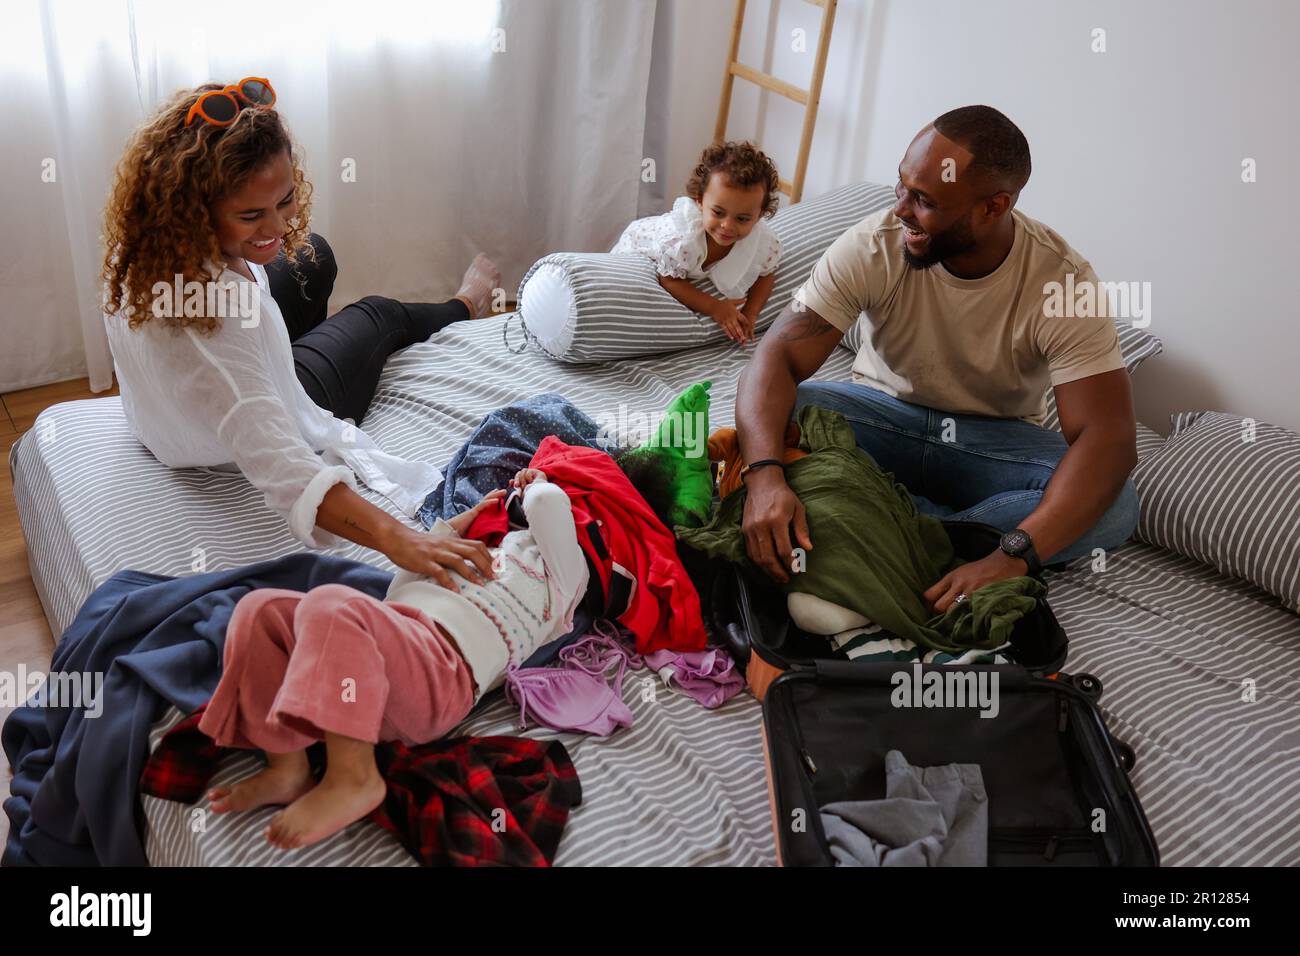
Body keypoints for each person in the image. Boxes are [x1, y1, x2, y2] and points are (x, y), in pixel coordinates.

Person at [735, 105, 1140, 613]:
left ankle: (884, 523)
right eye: (901, 185)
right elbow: (775, 360)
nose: (902, 209)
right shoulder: (874, 242)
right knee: (783, 411)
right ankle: (938, 537)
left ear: (993, 207)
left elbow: (1110, 439)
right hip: (884, 422)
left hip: (986, 447)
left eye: (924, 200)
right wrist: (767, 478)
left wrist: (1012, 557)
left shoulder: (1063, 281)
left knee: (1116, 506)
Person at [101, 77, 500, 584]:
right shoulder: (215, 330)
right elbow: (284, 468)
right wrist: (403, 540)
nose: (278, 225)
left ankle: (295, 341)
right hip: (221, 432)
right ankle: (466, 303)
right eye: (251, 214)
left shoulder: (146, 248)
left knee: (315, 257)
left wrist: (253, 233)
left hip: (170, 409)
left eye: (284, 200)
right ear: (194, 209)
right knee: (376, 315)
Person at [612, 140, 782, 344]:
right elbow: (669, 280)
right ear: (699, 201)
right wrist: (716, 308)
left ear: (759, 215)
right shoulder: (683, 239)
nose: (727, 226)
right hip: (636, 248)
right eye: (718, 213)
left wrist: (751, 313)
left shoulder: (763, 241)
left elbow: (766, 273)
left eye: (742, 219)